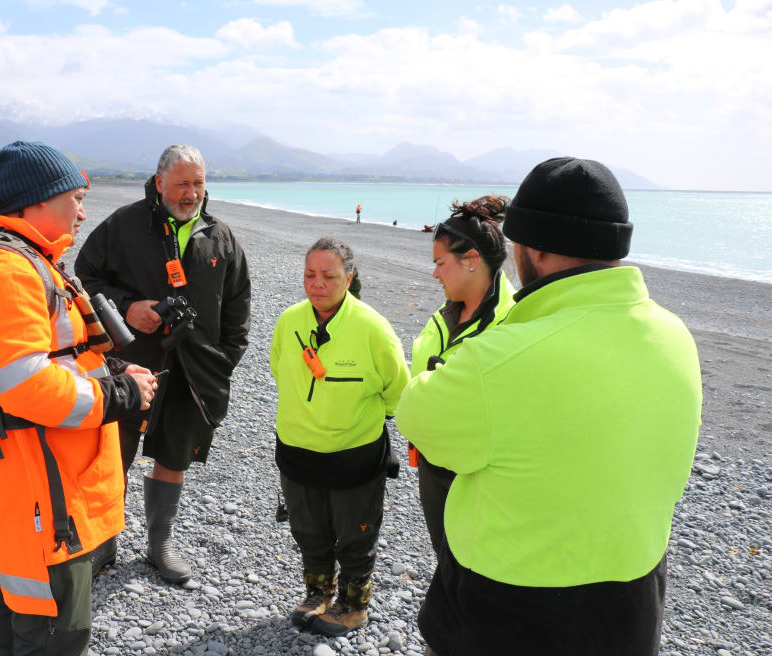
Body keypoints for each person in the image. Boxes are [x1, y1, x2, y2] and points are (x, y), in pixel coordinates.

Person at [396, 157, 702, 656]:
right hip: (633, 597)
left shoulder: (498, 359)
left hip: (510, 606)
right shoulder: (675, 337)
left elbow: (415, 415)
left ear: (533, 248)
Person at [0, 142, 158, 656]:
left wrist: (113, 370)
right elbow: (25, 386)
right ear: (37, 200)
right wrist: (121, 393)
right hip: (37, 480)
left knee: (24, 596)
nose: (83, 212)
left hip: (49, 474)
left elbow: (55, 355)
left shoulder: (32, 262)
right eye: (76, 198)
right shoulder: (5, 271)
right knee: (56, 628)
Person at [74, 144, 251, 583]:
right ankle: (104, 543)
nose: (191, 193)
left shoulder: (221, 237)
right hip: (129, 364)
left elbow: (238, 309)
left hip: (195, 369)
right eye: (181, 184)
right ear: (159, 183)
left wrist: (223, 361)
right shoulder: (124, 224)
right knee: (114, 452)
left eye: (198, 183)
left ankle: (160, 544)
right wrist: (128, 307)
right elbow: (84, 279)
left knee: (174, 453)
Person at [270, 236, 408, 636]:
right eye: (309, 274)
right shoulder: (289, 321)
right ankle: (318, 593)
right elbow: (279, 370)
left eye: (328, 276)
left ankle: (353, 604)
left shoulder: (372, 328)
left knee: (355, 536)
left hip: (354, 456)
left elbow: (397, 391)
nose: (317, 284)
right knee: (308, 530)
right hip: (297, 451)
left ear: (349, 278)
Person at [407, 195, 515, 558]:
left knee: (474, 565)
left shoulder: (512, 324)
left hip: (476, 477)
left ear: (470, 260)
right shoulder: (447, 313)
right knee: (445, 559)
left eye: (440, 263)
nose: (435, 273)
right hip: (432, 465)